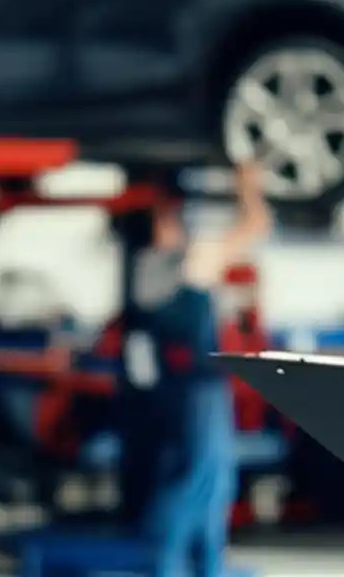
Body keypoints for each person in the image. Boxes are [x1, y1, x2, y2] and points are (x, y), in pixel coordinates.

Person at [116, 162, 272, 576]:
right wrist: (248, 186)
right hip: (200, 390)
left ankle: (196, 564)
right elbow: (255, 224)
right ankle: (174, 562)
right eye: (169, 213)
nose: (179, 219)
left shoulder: (145, 270)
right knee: (203, 479)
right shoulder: (184, 265)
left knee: (207, 480)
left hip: (180, 387)